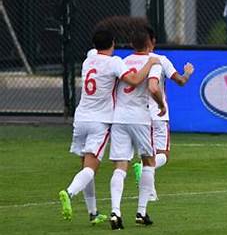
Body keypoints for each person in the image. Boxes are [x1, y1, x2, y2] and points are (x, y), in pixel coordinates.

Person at [58, 17, 159, 223]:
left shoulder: (89, 59)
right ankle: (69, 192)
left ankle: (93, 213)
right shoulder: (114, 62)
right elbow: (134, 80)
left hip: (81, 118)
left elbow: (96, 50)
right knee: (90, 168)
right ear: (112, 44)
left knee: (86, 165)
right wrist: (150, 62)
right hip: (100, 121)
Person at [108, 24, 165, 230]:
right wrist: (160, 104)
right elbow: (152, 87)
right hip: (140, 118)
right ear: (151, 43)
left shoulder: (123, 62)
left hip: (119, 118)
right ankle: (141, 211)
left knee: (120, 166)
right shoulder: (154, 62)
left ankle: (115, 211)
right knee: (148, 161)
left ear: (132, 44)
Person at [130, 18, 195, 200]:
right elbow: (180, 81)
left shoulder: (128, 61)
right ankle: (144, 171)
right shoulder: (161, 60)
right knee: (162, 155)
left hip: (137, 115)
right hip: (158, 114)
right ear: (153, 41)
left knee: (146, 153)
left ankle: (150, 193)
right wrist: (188, 72)